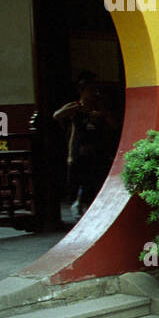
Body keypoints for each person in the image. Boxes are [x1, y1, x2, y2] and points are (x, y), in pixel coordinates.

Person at [53, 75, 119, 217]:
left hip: (97, 148)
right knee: (78, 180)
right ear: (82, 91)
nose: (92, 93)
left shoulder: (100, 106)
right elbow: (57, 116)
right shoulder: (76, 107)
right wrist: (70, 154)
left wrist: (103, 115)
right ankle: (78, 204)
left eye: (94, 90)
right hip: (80, 148)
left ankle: (93, 207)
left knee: (95, 180)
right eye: (89, 90)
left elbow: (114, 125)